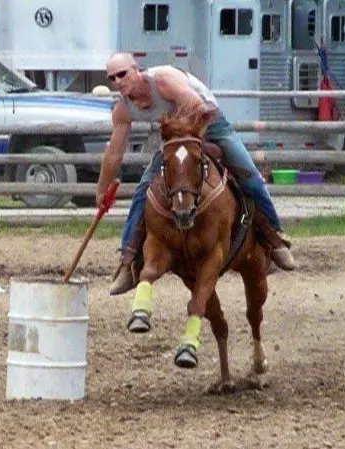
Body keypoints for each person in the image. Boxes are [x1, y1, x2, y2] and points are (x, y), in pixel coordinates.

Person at [96, 53, 295, 296]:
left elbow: (198, 106)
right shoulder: (122, 110)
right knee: (143, 191)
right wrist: (101, 188)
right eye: (112, 78)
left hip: (210, 123)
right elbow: (115, 152)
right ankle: (128, 261)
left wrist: (185, 138)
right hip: (176, 138)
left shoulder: (163, 81)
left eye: (122, 74)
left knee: (248, 173)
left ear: (136, 70)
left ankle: (274, 238)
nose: (118, 81)